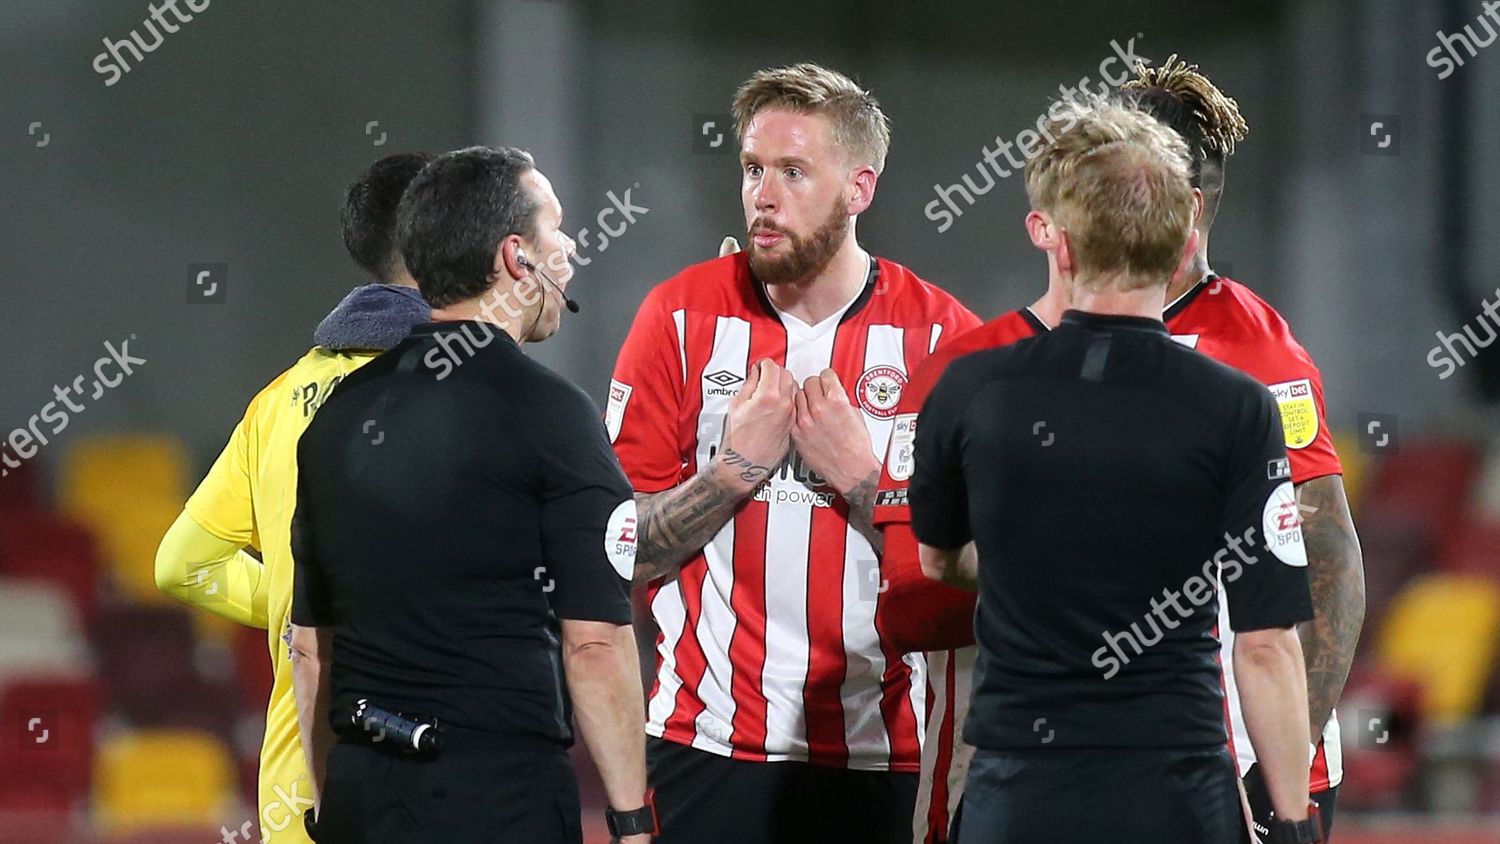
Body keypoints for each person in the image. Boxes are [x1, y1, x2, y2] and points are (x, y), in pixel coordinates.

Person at [910, 100, 1323, 844]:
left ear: (1061, 246)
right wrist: (1293, 823)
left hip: (1019, 789)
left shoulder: (972, 389)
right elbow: (1266, 643)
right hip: (1175, 786)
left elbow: (936, 560)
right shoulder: (1238, 408)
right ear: (1183, 240)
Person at [607, 63, 979, 843]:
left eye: (793, 171)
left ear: (859, 188)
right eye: (752, 169)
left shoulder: (944, 339)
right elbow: (618, 552)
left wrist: (867, 482)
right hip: (704, 746)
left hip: (884, 756)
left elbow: (975, 580)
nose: (762, 196)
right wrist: (731, 472)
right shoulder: (678, 316)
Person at [288, 146, 653, 844]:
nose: (571, 249)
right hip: (496, 796)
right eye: (556, 230)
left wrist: (334, 808)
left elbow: (310, 651)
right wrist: (633, 823)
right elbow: (596, 644)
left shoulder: (336, 415)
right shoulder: (553, 415)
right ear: (517, 258)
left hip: (362, 795)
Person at [154, 152, 432, 843]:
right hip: (424, 779)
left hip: (296, 783)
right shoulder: (460, 388)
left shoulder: (277, 401)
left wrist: (291, 605)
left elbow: (181, 564)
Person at [1125, 56, 1364, 842]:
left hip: (1241, 760)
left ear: (1187, 205)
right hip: (1114, 756)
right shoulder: (1071, 337)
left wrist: (1279, 766)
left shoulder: (1257, 353)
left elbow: (1333, 570)